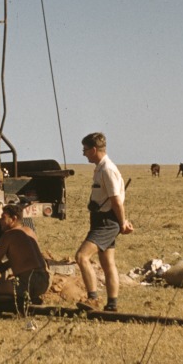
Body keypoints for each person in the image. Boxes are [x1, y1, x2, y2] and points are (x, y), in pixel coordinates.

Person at [74, 131, 133, 312]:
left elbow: (116, 200)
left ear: (93, 150)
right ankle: (112, 305)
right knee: (108, 263)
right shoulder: (100, 168)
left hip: (106, 221)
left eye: (85, 150)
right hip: (102, 219)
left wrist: (122, 223)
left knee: (82, 257)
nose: (84, 154)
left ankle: (92, 299)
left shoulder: (107, 169)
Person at [0, 201, 51, 312]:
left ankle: (22, 302)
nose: (0, 220)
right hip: (45, 281)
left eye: (3, 217)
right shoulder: (30, 231)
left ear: (14, 219)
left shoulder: (8, 235)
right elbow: (27, 258)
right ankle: (31, 298)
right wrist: (5, 267)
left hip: (28, 281)